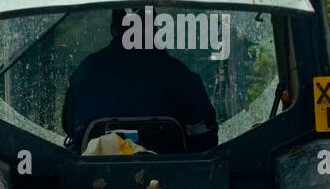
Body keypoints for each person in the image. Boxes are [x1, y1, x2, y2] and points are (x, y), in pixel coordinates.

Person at [62, 8, 218, 152]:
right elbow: (206, 131)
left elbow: (69, 126)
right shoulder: (180, 74)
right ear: (154, 30)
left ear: (113, 30)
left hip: (93, 175)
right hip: (170, 174)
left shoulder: (86, 71)